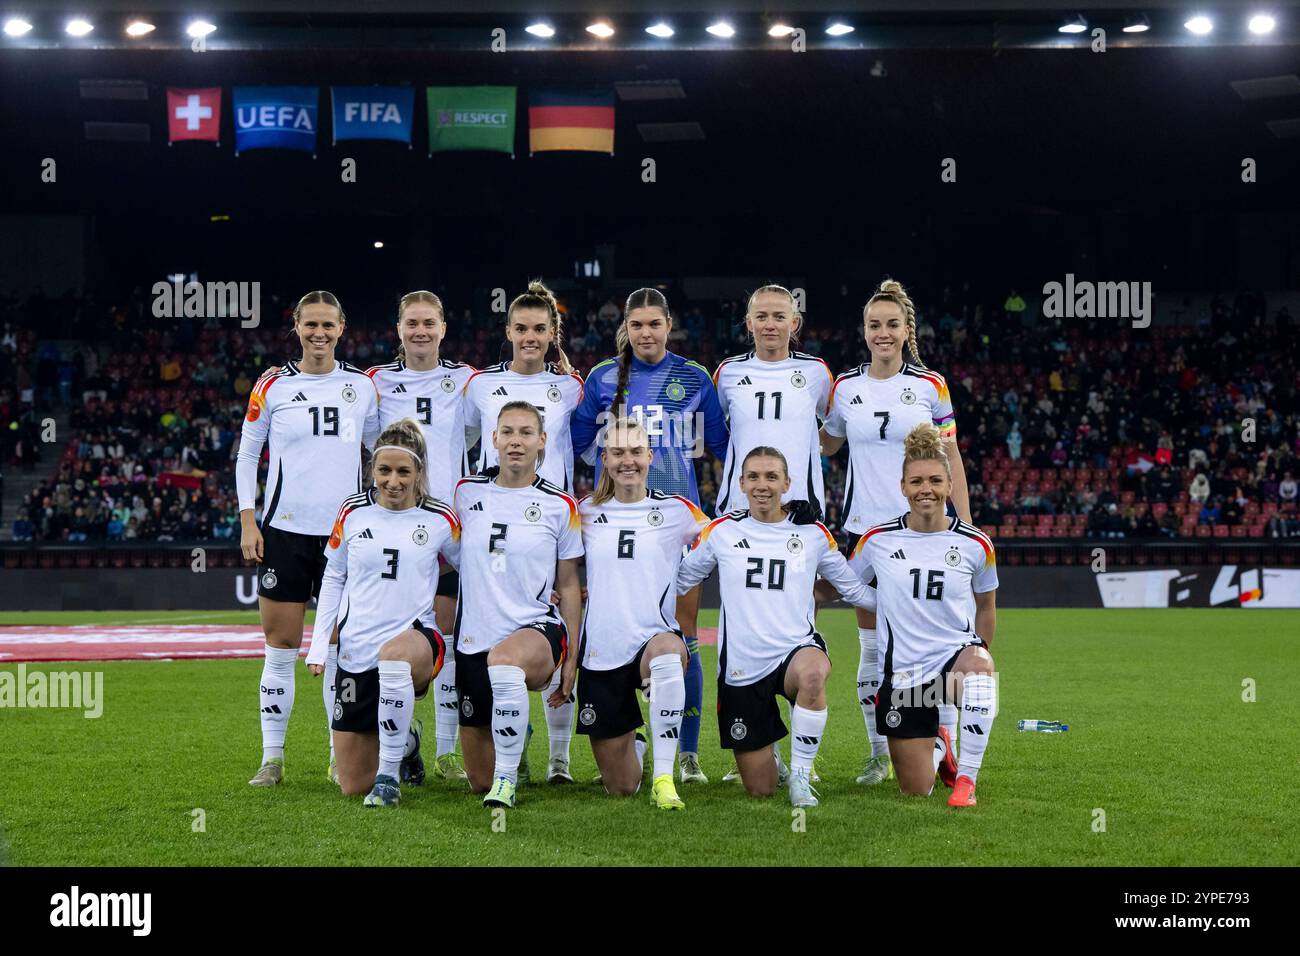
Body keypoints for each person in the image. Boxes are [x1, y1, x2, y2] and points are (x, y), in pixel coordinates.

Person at [569, 287, 729, 785]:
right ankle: (632, 735)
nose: (645, 333)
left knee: (681, 637)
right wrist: (610, 477)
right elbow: (578, 444)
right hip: (617, 519)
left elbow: (724, 446)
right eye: (636, 325)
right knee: (615, 629)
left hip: (676, 526)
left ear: (668, 325)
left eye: (654, 324)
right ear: (626, 330)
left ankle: (685, 752)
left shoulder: (694, 377)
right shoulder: (600, 379)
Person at [820, 278, 972, 786]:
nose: (882, 333)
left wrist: (965, 527)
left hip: (929, 531)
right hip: (870, 536)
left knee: (935, 644)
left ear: (907, 330)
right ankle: (878, 753)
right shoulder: (845, 388)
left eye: (891, 325)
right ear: (863, 332)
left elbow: (951, 457)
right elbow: (826, 446)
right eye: (873, 325)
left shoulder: (931, 385)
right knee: (872, 647)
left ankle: (942, 741)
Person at [675, 446, 874, 808]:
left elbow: (854, 589)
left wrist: (910, 604)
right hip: (741, 668)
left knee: (813, 675)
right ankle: (774, 759)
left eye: (771, 477)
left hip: (795, 652)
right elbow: (681, 579)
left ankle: (800, 777)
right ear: (741, 483)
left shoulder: (812, 533)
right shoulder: (721, 532)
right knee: (761, 789)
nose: (762, 485)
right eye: (753, 476)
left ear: (787, 483)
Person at [237, 291, 380, 787]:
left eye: (328, 325)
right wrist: (248, 520)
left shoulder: (362, 387)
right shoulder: (272, 386)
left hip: (345, 537)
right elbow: (245, 455)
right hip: (284, 532)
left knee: (341, 648)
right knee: (280, 647)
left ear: (343, 328)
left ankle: (337, 756)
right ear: (295, 326)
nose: (319, 333)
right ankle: (271, 759)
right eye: (310, 324)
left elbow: (381, 453)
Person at [463, 281, 584, 781]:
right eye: (522, 329)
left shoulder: (571, 388)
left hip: (553, 525)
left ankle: (560, 758)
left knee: (564, 624)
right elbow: (464, 441)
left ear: (552, 334)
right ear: (508, 331)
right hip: (497, 518)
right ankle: (503, 736)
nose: (530, 337)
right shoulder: (480, 386)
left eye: (540, 329)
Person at [304, 419, 459, 807]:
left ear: (419, 472)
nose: (393, 481)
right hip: (357, 650)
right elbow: (333, 576)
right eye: (384, 470)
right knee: (352, 785)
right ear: (371, 469)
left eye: (403, 471)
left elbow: (474, 568)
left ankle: (389, 780)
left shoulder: (440, 519)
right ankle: (407, 743)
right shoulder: (352, 511)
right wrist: (319, 644)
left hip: (419, 641)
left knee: (395, 658)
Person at [712, 283, 832, 782]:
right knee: (735, 630)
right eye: (761, 316)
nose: (769, 324)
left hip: (799, 516)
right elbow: (720, 437)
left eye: (779, 316)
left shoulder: (817, 374)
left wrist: (804, 479)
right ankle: (760, 740)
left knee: (797, 621)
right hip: (738, 513)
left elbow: (832, 434)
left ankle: (801, 757)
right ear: (748, 322)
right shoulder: (728, 373)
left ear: (795, 322)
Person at [848, 423, 999, 807]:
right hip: (903, 676)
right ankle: (939, 744)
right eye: (916, 482)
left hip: (952, 663)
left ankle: (967, 780)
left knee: (981, 669)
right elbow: (844, 584)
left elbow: (986, 606)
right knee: (916, 789)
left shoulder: (975, 543)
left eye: (934, 480)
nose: (925, 489)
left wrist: (978, 656)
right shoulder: (876, 541)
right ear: (902, 487)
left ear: (949, 485)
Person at [568, 417, 707, 809]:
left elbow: (724, 539)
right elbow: (559, 566)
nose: (627, 461)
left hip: (654, 639)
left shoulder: (677, 510)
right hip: (602, 654)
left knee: (667, 652)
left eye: (634, 452)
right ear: (605, 459)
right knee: (622, 786)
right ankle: (640, 746)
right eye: (617, 453)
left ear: (649, 456)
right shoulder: (585, 513)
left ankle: (664, 779)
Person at [366, 291, 476, 782]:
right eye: (412, 322)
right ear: (399, 328)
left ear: (443, 327)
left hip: (451, 529)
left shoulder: (467, 380)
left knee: (451, 640)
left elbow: (487, 429)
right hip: (397, 528)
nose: (421, 331)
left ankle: (447, 751)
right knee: (392, 642)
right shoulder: (376, 383)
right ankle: (404, 740)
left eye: (429, 322)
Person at [452, 402, 583, 809]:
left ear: (542, 441)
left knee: (506, 662)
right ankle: (511, 748)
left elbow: (568, 582)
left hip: (536, 628)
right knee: (477, 779)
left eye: (526, 433)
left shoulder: (561, 505)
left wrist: (572, 657)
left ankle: (506, 784)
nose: (515, 441)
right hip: (475, 635)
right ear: (493, 439)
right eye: (507, 432)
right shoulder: (465, 493)